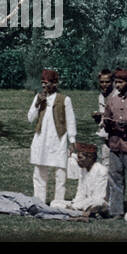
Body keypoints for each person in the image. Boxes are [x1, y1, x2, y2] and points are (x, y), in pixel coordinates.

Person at [27, 68, 76, 205]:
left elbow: (70, 121)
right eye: (42, 82)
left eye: (47, 83)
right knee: (39, 172)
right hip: (41, 138)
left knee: (60, 172)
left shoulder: (65, 99)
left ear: (55, 84)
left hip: (58, 140)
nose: (44, 86)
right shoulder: (38, 97)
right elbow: (30, 118)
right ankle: (39, 201)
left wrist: (72, 140)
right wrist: (37, 104)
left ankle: (58, 202)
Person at [103, 67, 127, 218]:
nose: (117, 85)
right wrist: (107, 122)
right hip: (114, 145)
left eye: (120, 82)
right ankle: (117, 211)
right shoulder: (112, 99)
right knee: (115, 178)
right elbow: (106, 117)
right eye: (116, 82)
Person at [65, 141, 109, 217]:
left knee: (98, 202)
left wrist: (76, 206)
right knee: (54, 203)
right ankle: (79, 211)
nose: (78, 161)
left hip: (97, 202)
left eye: (80, 158)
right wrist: (75, 203)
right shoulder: (83, 169)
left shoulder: (102, 170)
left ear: (90, 158)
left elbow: (98, 197)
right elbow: (80, 192)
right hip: (84, 202)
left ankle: (76, 210)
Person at [93, 68, 114, 166]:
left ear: (112, 82)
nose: (104, 84)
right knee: (104, 161)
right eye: (102, 82)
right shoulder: (101, 96)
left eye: (107, 82)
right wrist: (98, 117)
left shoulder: (117, 95)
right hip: (104, 133)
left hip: (116, 134)